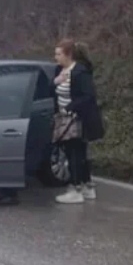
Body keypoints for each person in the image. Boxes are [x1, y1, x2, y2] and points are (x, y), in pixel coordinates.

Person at [52, 38, 104, 204]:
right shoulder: (59, 71)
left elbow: (88, 96)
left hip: (77, 119)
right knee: (77, 153)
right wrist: (56, 82)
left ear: (69, 55)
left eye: (58, 54)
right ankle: (87, 187)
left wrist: (70, 107)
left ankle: (75, 189)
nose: (56, 57)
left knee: (74, 152)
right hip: (64, 117)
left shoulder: (80, 72)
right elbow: (50, 89)